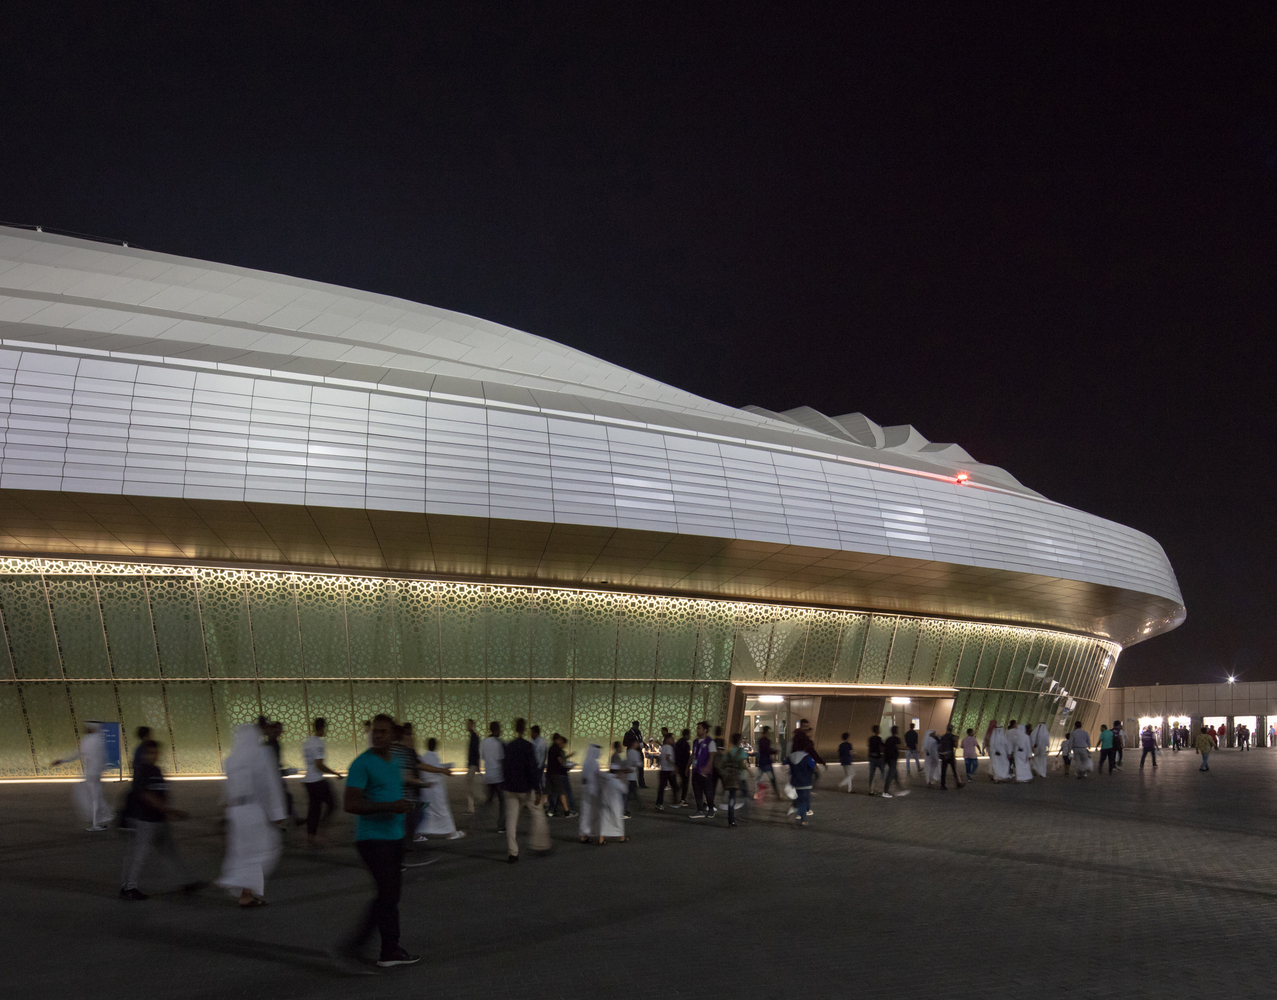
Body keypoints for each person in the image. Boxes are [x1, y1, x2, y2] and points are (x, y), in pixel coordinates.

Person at [335, 714, 419, 970]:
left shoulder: (396, 761)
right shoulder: (361, 764)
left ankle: (379, 948)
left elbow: (393, 790)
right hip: (371, 839)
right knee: (388, 893)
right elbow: (350, 804)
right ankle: (382, 948)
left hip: (395, 837)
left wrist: (404, 805)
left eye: (383, 732)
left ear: (393, 736)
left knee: (390, 895)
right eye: (375, 731)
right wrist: (389, 806)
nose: (377, 735)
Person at [119, 739, 200, 900]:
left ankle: (185, 881)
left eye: (156, 752)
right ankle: (128, 888)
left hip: (159, 820)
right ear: (143, 754)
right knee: (138, 855)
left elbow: (161, 793)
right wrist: (169, 810)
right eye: (150, 752)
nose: (154, 755)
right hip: (145, 820)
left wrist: (166, 811)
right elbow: (146, 795)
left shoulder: (156, 770)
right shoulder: (142, 771)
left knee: (170, 852)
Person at [216, 722, 287, 907]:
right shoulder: (261, 754)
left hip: (235, 812)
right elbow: (270, 784)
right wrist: (277, 812)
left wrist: (225, 814)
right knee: (267, 849)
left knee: (244, 853)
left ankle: (245, 894)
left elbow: (227, 790)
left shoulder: (231, 760)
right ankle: (240, 886)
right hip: (252, 811)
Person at [501, 719, 550, 862]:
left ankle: (513, 853)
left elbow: (505, 767)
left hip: (510, 789)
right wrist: (537, 790)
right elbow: (532, 770)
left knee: (511, 821)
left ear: (515, 728)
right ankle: (540, 844)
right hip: (525, 789)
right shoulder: (528, 746)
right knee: (538, 813)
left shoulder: (509, 746)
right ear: (525, 729)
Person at [50, 720, 113, 831]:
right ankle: (102, 819)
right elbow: (104, 757)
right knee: (96, 797)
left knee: (92, 798)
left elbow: (76, 754)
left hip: (90, 774)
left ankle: (97, 823)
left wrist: (62, 761)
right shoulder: (99, 740)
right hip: (96, 773)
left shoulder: (87, 740)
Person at [415, 737, 464, 840]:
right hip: (435, 790)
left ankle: (418, 833)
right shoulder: (433, 758)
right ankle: (451, 832)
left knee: (427, 811)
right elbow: (434, 769)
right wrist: (444, 770)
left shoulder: (424, 757)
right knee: (442, 811)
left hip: (426, 790)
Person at [302, 717, 341, 846]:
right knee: (330, 804)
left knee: (314, 808)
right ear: (323, 727)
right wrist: (335, 773)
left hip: (309, 780)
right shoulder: (319, 743)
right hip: (317, 781)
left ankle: (312, 834)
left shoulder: (307, 741)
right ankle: (319, 829)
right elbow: (319, 765)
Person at [479, 721, 506, 833]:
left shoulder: (484, 742)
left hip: (488, 776)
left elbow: (483, 757)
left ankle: (478, 820)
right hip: (498, 777)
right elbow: (502, 759)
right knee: (503, 802)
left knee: (488, 801)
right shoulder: (498, 743)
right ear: (497, 729)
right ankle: (501, 826)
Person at [578, 744, 605, 845]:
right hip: (592, 791)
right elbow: (596, 776)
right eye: (598, 752)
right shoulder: (594, 763)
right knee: (592, 813)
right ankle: (589, 834)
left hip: (586, 790)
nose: (599, 754)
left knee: (585, 812)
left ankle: (583, 835)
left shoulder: (586, 762)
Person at [689, 721, 717, 818]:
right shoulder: (695, 742)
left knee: (708, 791)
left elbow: (712, 757)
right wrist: (688, 766)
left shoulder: (710, 742)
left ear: (705, 730)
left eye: (699, 728)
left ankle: (711, 809)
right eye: (697, 728)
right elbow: (693, 755)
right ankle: (700, 810)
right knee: (697, 791)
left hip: (705, 773)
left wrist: (707, 768)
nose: (697, 730)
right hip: (696, 771)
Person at [545, 733, 577, 817]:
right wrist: (568, 766)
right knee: (562, 793)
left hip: (549, 773)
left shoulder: (551, 748)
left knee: (551, 793)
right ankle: (567, 812)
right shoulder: (557, 749)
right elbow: (560, 761)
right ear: (557, 740)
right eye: (559, 739)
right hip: (556, 774)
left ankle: (549, 811)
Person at [722, 733, 748, 826]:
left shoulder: (728, 751)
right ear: (739, 741)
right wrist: (749, 771)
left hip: (729, 777)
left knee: (731, 796)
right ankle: (743, 814)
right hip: (739, 776)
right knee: (745, 794)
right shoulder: (741, 751)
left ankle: (731, 819)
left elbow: (723, 762)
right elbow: (742, 764)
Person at [789, 741, 816, 825]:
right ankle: (802, 818)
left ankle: (797, 813)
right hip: (806, 782)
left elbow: (786, 765)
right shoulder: (807, 757)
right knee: (804, 800)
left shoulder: (792, 756)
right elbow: (814, 767)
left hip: (795, 782)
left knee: (799, 799)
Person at [881, 725, 909, 798]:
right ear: (896, 731)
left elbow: (884, 748)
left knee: (895, 774)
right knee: (890, 775)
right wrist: (907, 748)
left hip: (888, 759)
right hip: (893, 759)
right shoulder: (896, 739)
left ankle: (900, 789)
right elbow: (899, 747)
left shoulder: (888, 739)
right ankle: (885, 791)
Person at [755, 725, 780, 800]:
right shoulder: (767, 741)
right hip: (767, 762)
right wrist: (775, 751)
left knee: (759, 778)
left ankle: (756, 793)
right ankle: (777, 794)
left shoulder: (759, 740)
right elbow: (767, 750)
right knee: (772, 779)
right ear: (766, 732)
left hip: (761, 762)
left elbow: (762, 751)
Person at [656, 732, 679, 810]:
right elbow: (668, 757)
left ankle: (659, 803)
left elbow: (661, 758)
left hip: (663, 769)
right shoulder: (669, 747)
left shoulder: (663, 747)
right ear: (668, 739)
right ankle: (675, 802)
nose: (673, 740)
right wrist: (674, 765)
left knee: (661, 787)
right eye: (672, 739)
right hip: (669, 770)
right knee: (674, 786)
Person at [464, 719, 481, 813]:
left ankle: (471, 807)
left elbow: (476, 751)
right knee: (469, 785)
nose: (467, 726)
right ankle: (471, 806)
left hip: (473, 764)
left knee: (468, 786)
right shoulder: (473, 736)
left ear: (472, 725)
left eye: (468, 724)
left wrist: (477, 764)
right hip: (473, 764)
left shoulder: (474, 737)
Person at [937, 724, 962, 789]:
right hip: (950, 755)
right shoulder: (953, 736)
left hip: (944, 755)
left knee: (943, 770)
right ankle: (958, 783)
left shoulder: (943, 736)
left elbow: (939, 744)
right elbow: (955, 746)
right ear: (952, 729)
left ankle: (942, 784)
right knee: (954, 770)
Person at [530, 725, 549, 809]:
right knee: (534, 783)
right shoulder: (531, 740)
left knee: (540, 783)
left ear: (536, 733)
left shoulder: (543, 742)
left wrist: (539, 766)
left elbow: (543, 756)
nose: (531, 734)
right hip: (532, 765)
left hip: (539, 766)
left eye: (532, 732)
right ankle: (533, 799)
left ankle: (543, 801)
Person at [674, 728, 692, 807]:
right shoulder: (685, 744)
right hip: (684, 765)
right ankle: (683, 798)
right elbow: (686, 756)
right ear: (687, 735)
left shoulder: (678, 742)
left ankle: (678, 790)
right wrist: (687, 766)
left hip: (679, 765)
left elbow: (675, 753)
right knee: (685, 782)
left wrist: (676, 764)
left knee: (683, 781)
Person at [866, 725, 886, 795]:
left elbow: (869, 748)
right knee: (883, 772)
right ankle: (885, 789)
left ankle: (871, 790)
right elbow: (881, 748)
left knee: (872, 774)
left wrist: (868, 756)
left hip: (871, 757)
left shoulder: (870, 739)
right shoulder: (879, 739)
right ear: (878, 730)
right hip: (878, 758)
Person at [626, 720, 647, 787]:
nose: (637, 727)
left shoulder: (638, 732)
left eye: (637, 726)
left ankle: (641, 783)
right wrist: (632, 745)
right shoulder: (629, 733)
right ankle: (632, 783)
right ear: (633, 726)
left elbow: (640, 740)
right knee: (632, 767)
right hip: (632, 751)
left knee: (641, 768)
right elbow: (625, 743)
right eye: (635, 726)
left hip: (639, 751)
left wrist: (644, 745)